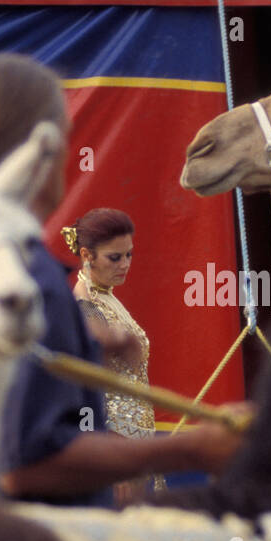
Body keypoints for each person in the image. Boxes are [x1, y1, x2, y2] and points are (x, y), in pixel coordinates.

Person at [0, 53, 245, 507]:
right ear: (44, 149)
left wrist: (80, 339)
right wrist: (190, 449)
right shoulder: (20, 271)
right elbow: (28, 466)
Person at [62, 208, 165, 506]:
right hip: (118, 447)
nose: (125, 265)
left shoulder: (106, 295)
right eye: (115, 257)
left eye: (129, 255)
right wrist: (113, 462)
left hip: (134, 443)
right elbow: (89, 390)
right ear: (87, 255)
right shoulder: (86, 306)